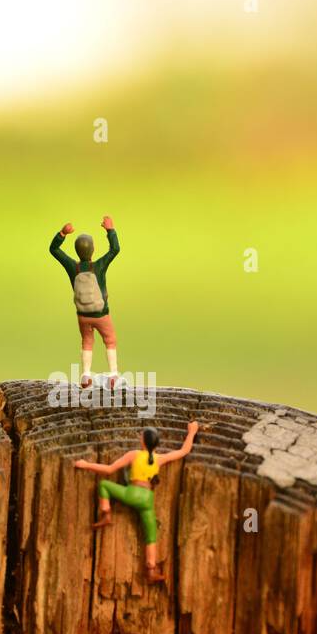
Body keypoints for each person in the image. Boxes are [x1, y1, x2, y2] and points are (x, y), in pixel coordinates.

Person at [73, 421, 199, 583]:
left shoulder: (134, 455)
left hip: (132, 493)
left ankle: (106, 513)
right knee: (151, 535)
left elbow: (109, 469)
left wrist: (85, 464)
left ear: (143, 441)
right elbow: (184, 450)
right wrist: (192, 432)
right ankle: (151, 569)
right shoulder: (159, 459)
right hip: (147, 499)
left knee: (104, 485)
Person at [49, 216, 120, 388]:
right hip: (101, 314)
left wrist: (62, 233)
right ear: (93, 250)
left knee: (87, 341)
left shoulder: (73, 267)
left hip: (82, 315)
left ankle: (86, 375)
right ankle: (113, 375)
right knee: (110, 340)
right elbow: (115, 249)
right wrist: (110, 230)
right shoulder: (99, 266)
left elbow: (54, 250)